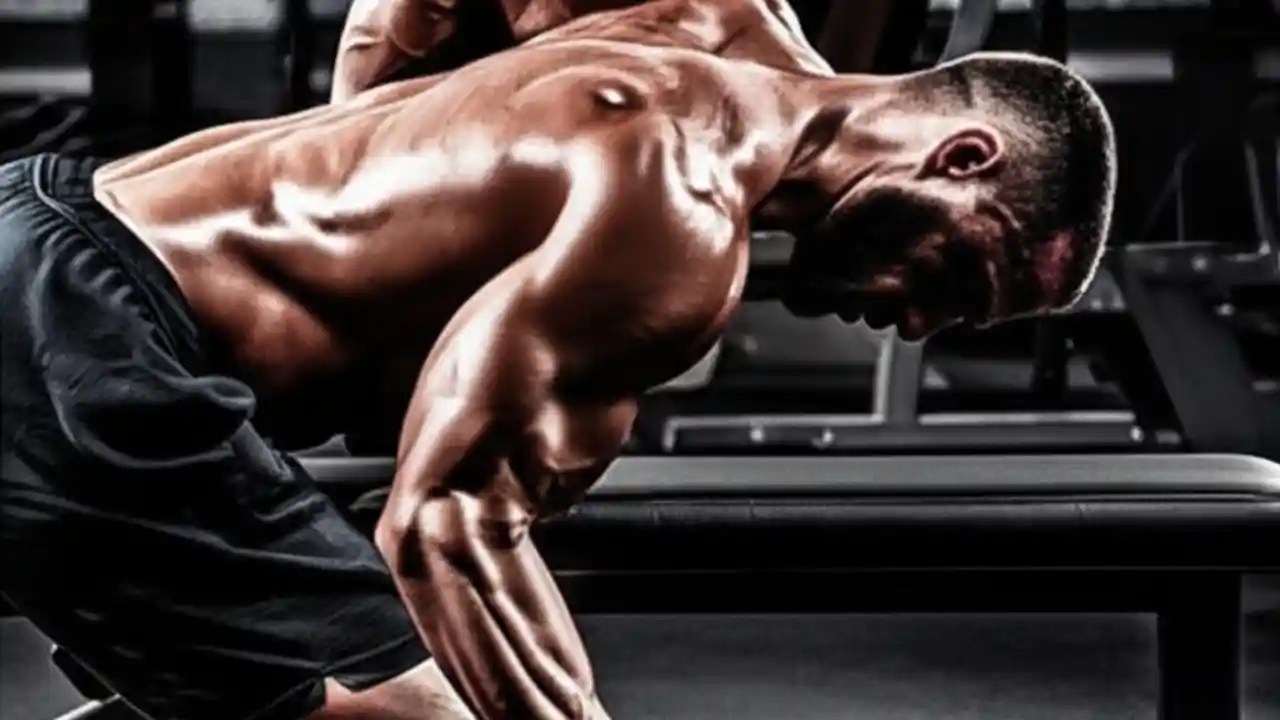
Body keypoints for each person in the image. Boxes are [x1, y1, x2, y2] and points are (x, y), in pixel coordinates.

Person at [0, 1, 1117, 719]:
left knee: (272, 691)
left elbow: (399, 13)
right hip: (89, 342)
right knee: (417, 713)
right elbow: (446, 526)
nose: (922, 325)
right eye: (964, 279)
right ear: (960, 157)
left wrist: (375, 170)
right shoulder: (678, 213)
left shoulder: (704, 17)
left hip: (47, 227)